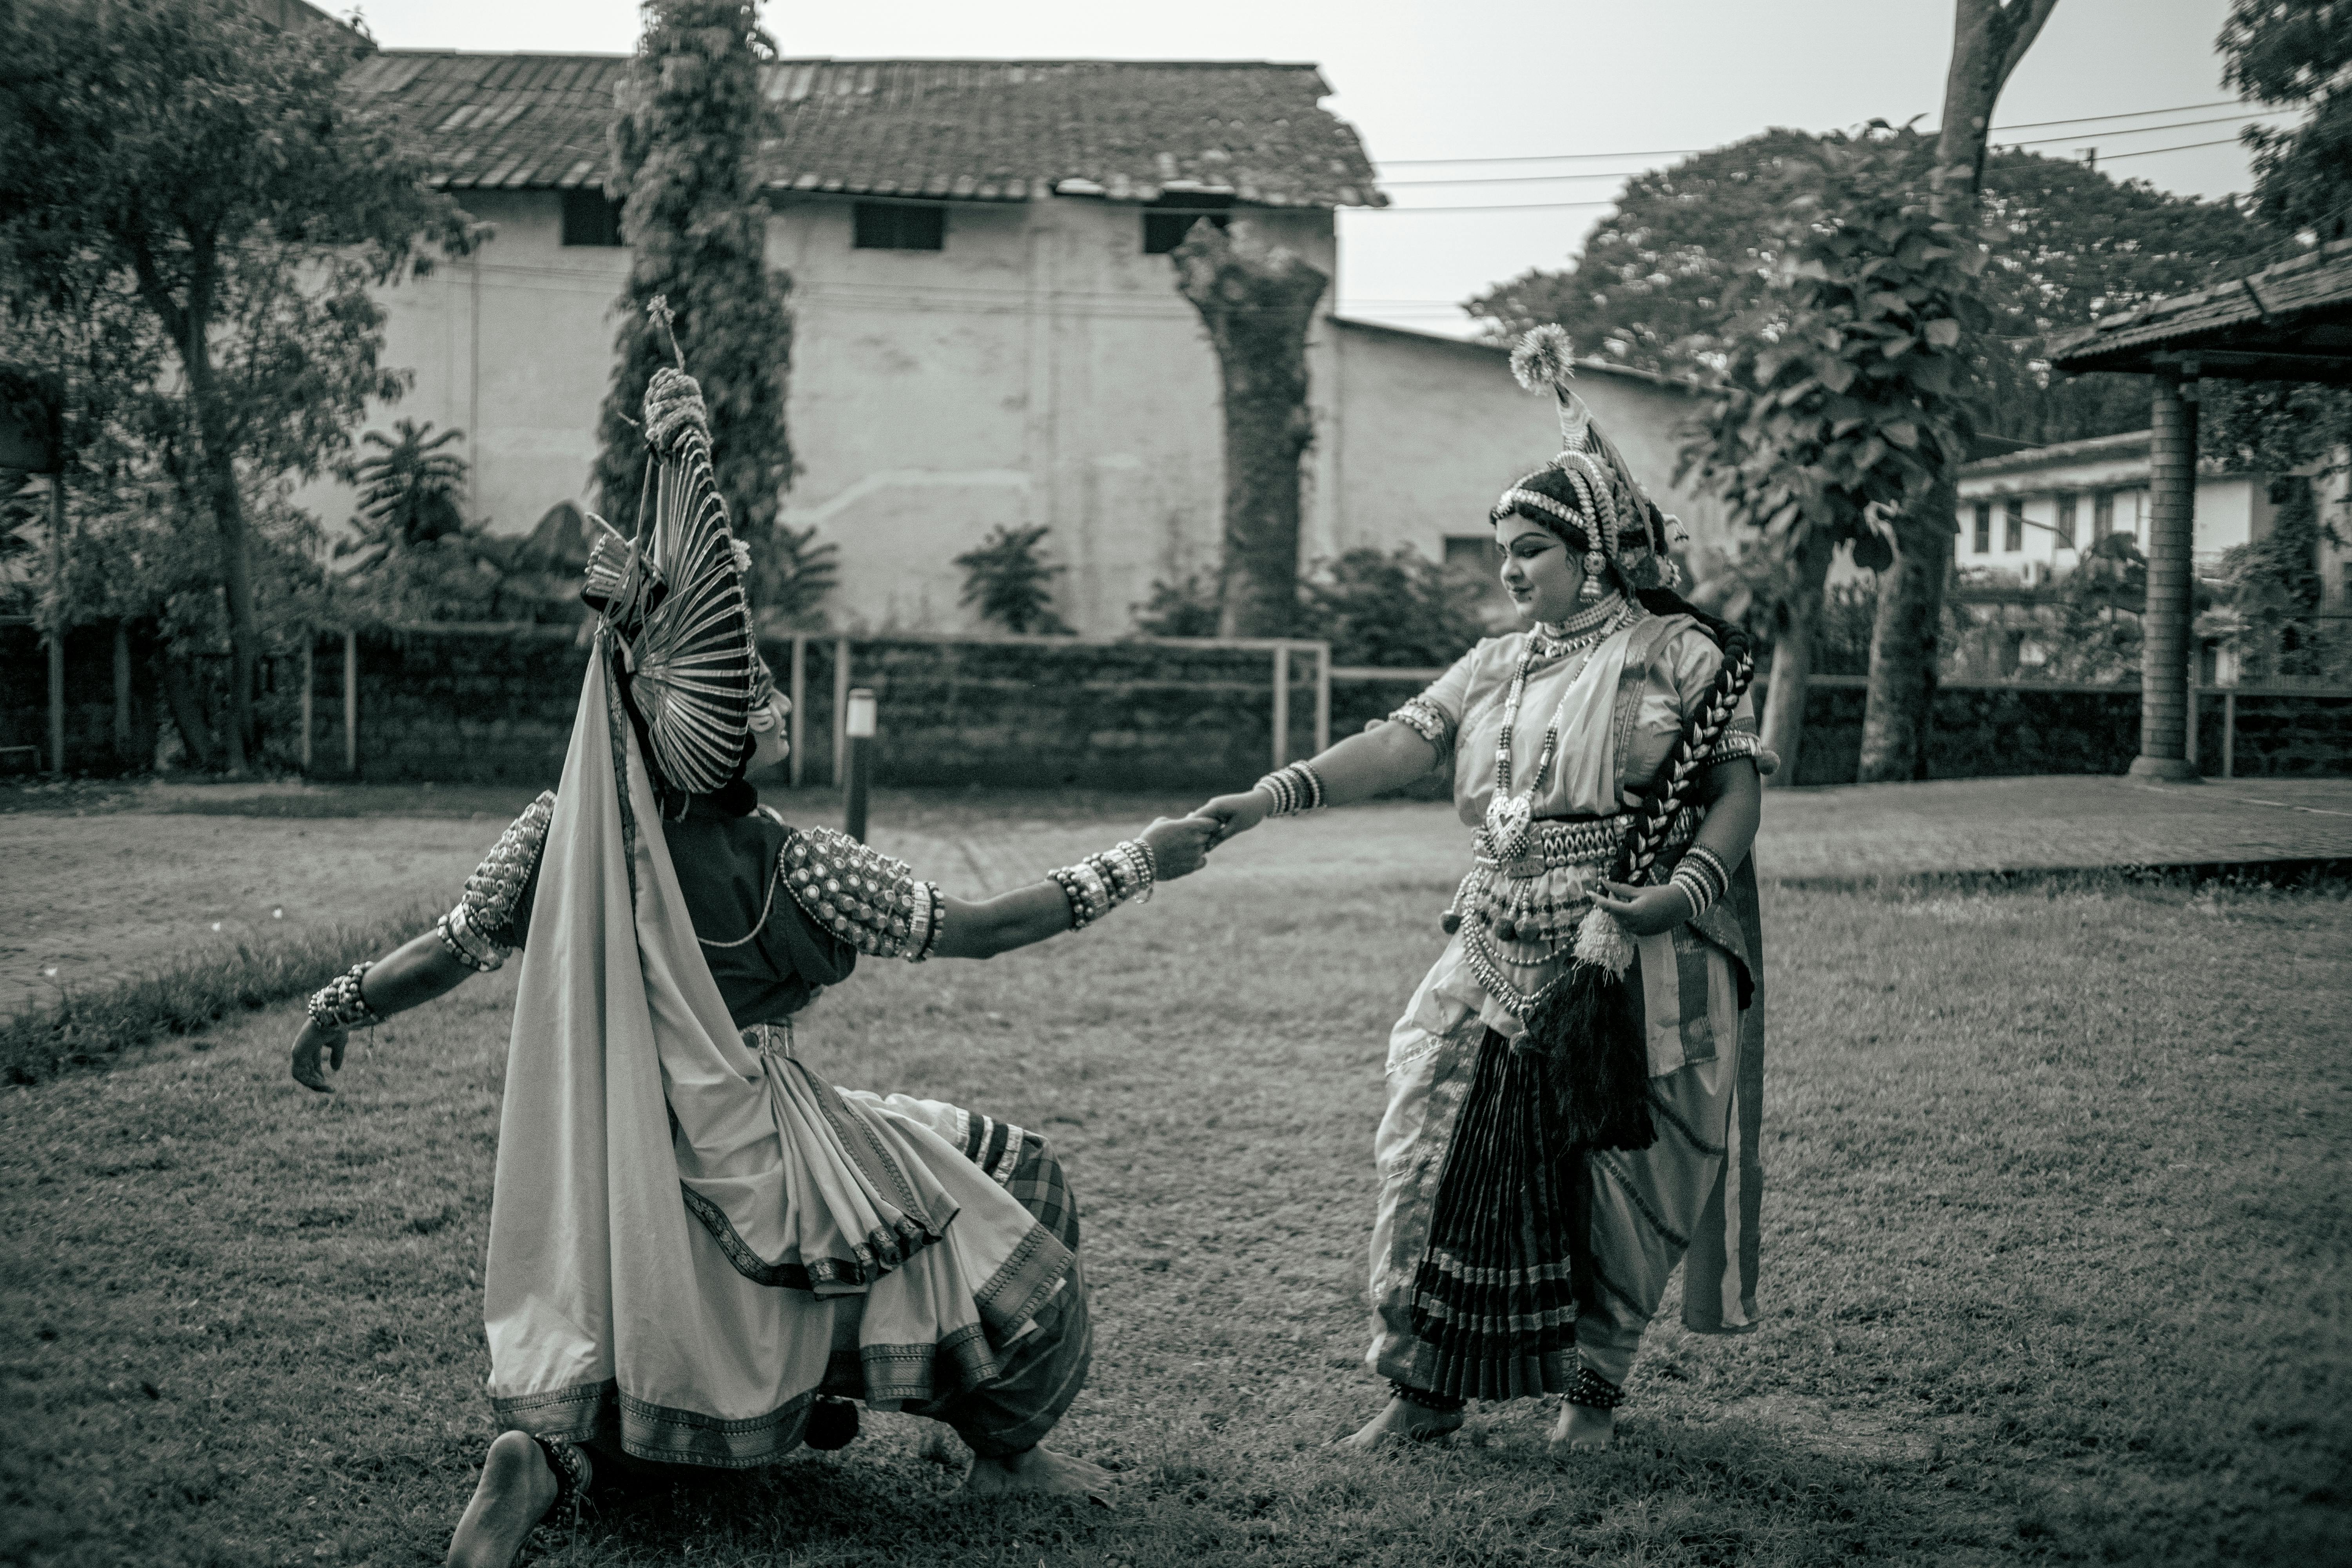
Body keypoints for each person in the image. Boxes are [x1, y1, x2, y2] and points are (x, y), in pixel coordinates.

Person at [289, 351, 1220, 1568]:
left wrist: (340, 1003)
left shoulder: (560, 837)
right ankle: (1006, 1453)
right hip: (763, 1148)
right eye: (762, 694)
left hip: (609, 1159)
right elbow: (988, 925)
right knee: (1020, 1182)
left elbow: (450, 949)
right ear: (724, 729)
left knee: (607, 1317)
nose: (775, 705)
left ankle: (533, 1452)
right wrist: (1142, 858)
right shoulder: (803, 865)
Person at [1195, 326, 1772, 1454]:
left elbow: (1735, 792)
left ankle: (1592, 1391)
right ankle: (1425, 1389)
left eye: (1531, 550)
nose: (1509, 568)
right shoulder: (1496, 662)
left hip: (1633, 940)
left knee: (1624, 1168)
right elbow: (1399, 744)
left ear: (1594, 557)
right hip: (1497, 932)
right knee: (1431, 1141)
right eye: (1504, 548)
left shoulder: (1676, 657)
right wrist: (1268, 798)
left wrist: (1682, 895)